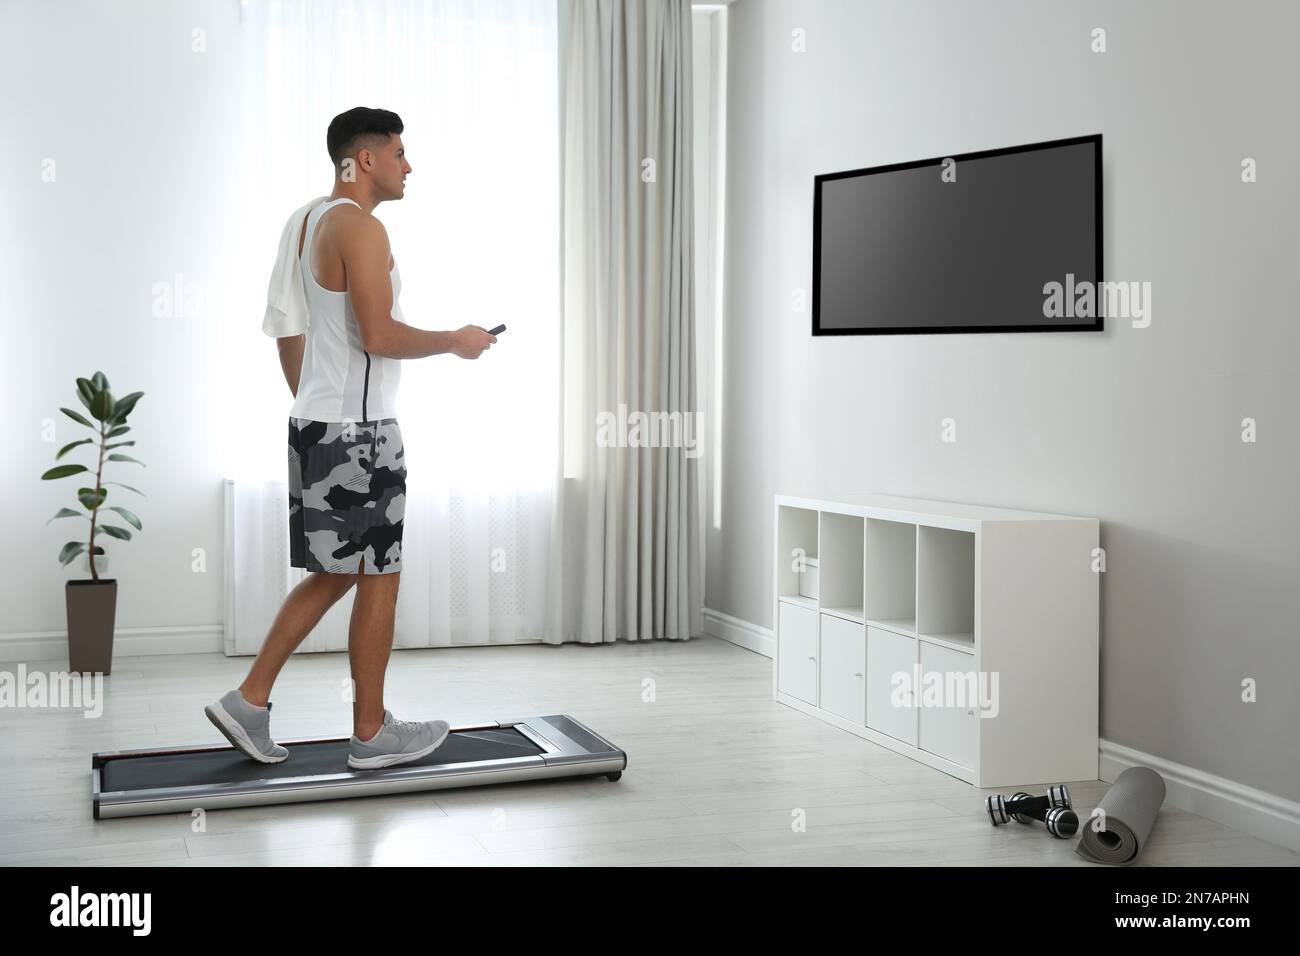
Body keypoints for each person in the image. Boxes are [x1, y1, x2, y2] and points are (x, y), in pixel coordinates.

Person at [205, 107, 497, 770]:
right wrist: (458, 340)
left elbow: (286, 326)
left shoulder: (305, 220)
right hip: (360, 434)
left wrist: (316, 405)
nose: (408, 165)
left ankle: (250, 701)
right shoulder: (361, 229)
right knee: (379, 576)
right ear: (365, 160)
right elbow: (380, 337)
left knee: (340, 572)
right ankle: (370, 735)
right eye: (399, 152)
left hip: (318, 424)